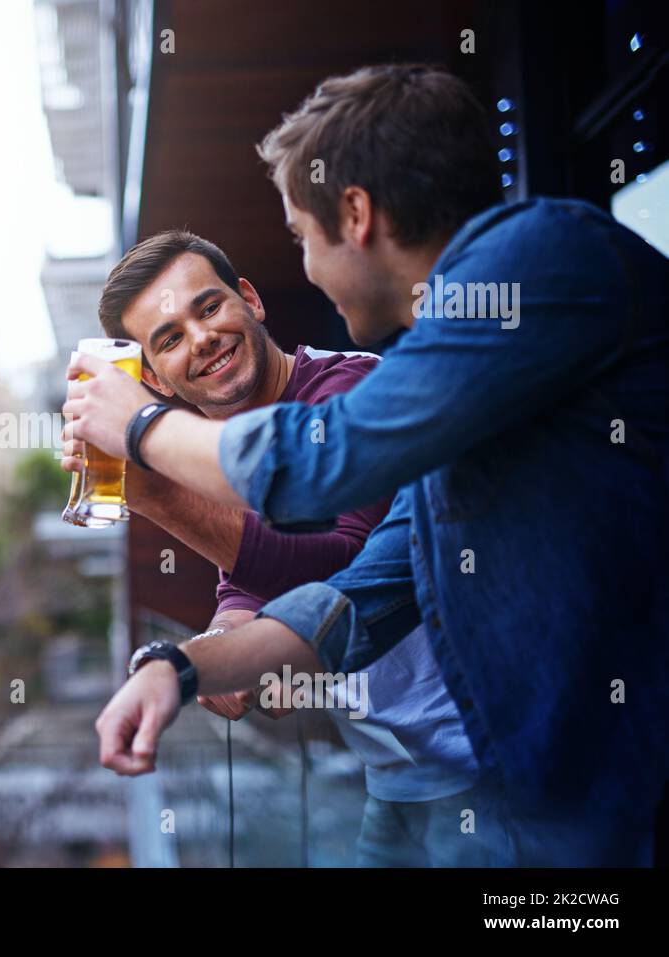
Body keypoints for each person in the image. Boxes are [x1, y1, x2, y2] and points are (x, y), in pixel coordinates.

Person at [65, 64, 669, 866]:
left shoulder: (535, 265)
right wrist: (174, 666)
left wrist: (140, 431)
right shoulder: (457, 362)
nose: (308, 266)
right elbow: (364, 590)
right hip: (521, 786)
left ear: (354, 214)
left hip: (584, 794)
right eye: (167, 339)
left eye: (301, 238)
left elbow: (323, 468)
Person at [74, 227, 509, 865]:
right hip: (398, 773)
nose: (201, 339)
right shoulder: (223, 460)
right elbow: (246, 579)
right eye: (168, 339)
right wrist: (211, 653)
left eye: (209, 307)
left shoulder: (351, 389)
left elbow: (345, 563)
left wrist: (155, 493)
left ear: (249, 299)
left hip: (492, 760)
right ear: (157, 380)